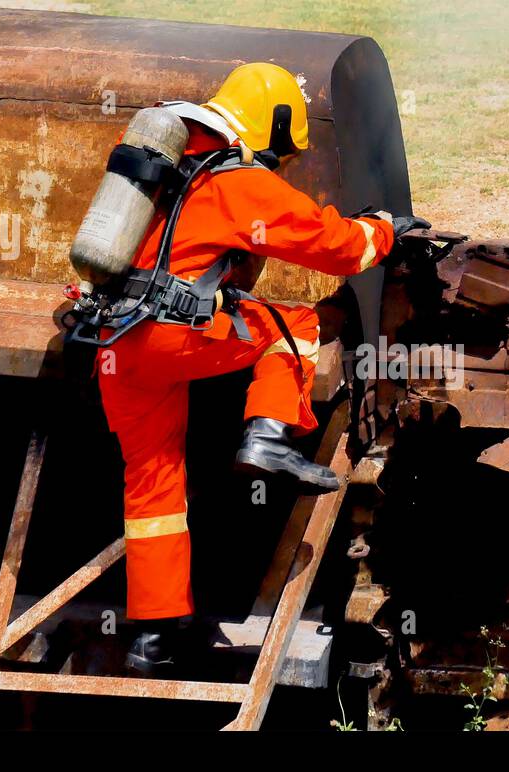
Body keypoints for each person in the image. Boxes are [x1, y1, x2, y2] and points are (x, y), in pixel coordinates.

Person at [97, 63, 426, 675]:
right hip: (173, 337)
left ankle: (153, 635)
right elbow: (332, 244)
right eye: (283, 151)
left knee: (153, 485)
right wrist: (383, 231)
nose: (282, 163)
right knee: (294, 325)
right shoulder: (238, 180)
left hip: (118, 343)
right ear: (271, 125)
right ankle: (268, 435)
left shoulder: (169, 167)